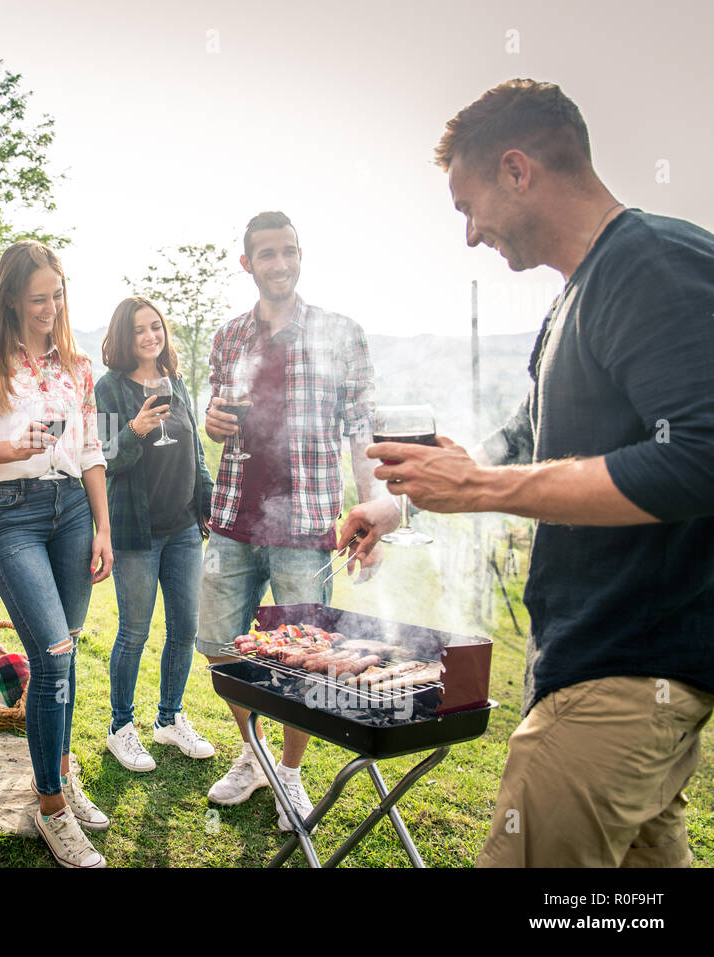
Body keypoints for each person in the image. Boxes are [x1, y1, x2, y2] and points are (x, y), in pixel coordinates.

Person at [340, 78, 714, 867]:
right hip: (637, 690)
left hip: (619, 676)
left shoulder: (651, 265)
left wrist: (477, 490)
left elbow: (699, 456)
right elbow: (526, 439)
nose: (471, 235)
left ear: (518, 170)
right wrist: (407, 503)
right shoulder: (578, 295)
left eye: (468, 207)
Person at [199, 211, 397, 829]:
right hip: (232, 516)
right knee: (223, 651)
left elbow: (362, 429)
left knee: (301, 658)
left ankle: (288, 773)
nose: (280, 264)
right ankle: (252, 754)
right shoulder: (229, 336)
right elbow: (216, 412)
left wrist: (372, 511)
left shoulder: (342, 333)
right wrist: (211, 421)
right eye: (267, 255)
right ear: (247, 263)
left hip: (307, 524)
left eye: (289, 252)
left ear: (301, 255)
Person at [0, 239, 113, 869]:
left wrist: (103, 527)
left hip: (73, 510)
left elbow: (93, 450)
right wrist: (12, 449)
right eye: (38, 297)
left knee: (64, 658)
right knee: (51, 653)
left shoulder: (77, 365)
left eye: (58, 294)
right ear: (12, 297)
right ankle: (51, 811)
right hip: (12, 514)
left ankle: (62, 778)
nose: (50, 307)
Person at [94, 296, 215, 771]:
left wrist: (205, 505)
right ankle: (120, 727)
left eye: (156, 327)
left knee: (185, 628)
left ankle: (169, 719)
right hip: (136, 533)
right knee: (134, 632)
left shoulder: (176, 382)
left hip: (184, 528)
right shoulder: (108, 388)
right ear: (125, 337)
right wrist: (137, 430)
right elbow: (101, 459)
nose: (150, 336)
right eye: (139, 330)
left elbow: (197, 454)